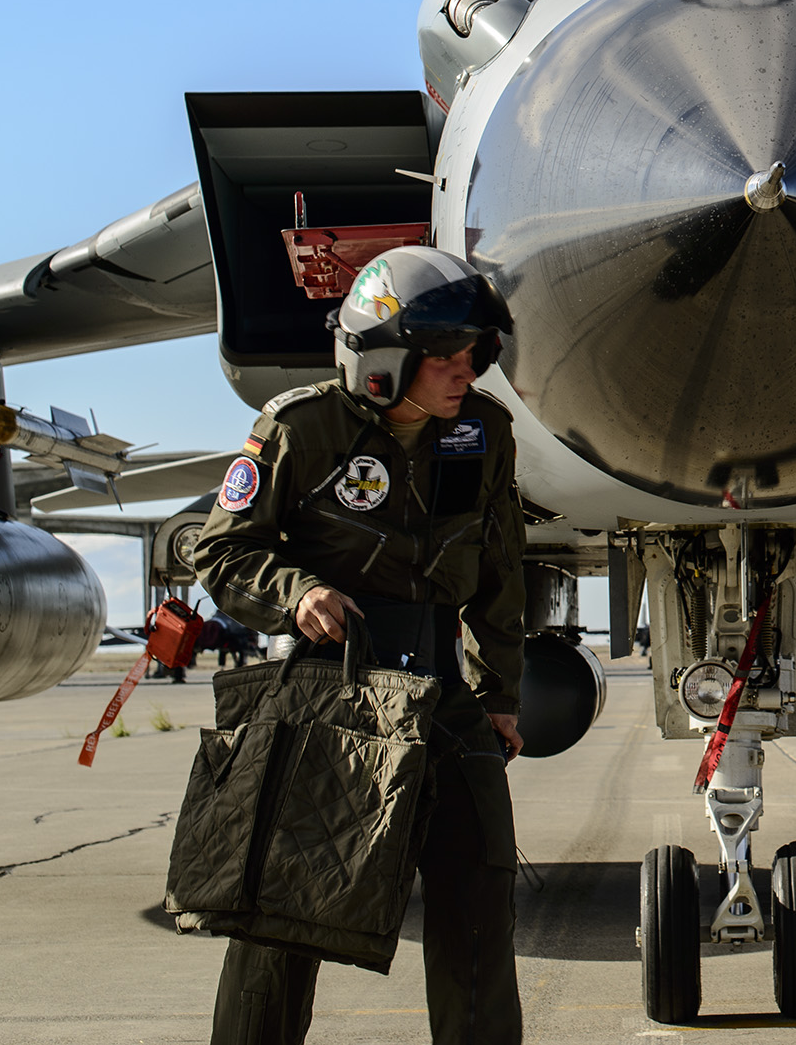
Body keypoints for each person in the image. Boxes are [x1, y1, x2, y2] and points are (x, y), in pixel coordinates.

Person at [190, 245, 526, 1045]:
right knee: (282, 918)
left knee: (479, 910)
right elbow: (220, 551)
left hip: (443, 698)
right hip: (327, 700)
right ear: (383, 359)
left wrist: (501, 697)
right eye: (444, 357)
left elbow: (501, 572)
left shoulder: (484, 432)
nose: (464, 372)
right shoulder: (301, 429)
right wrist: (297, 593)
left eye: (473, 355)